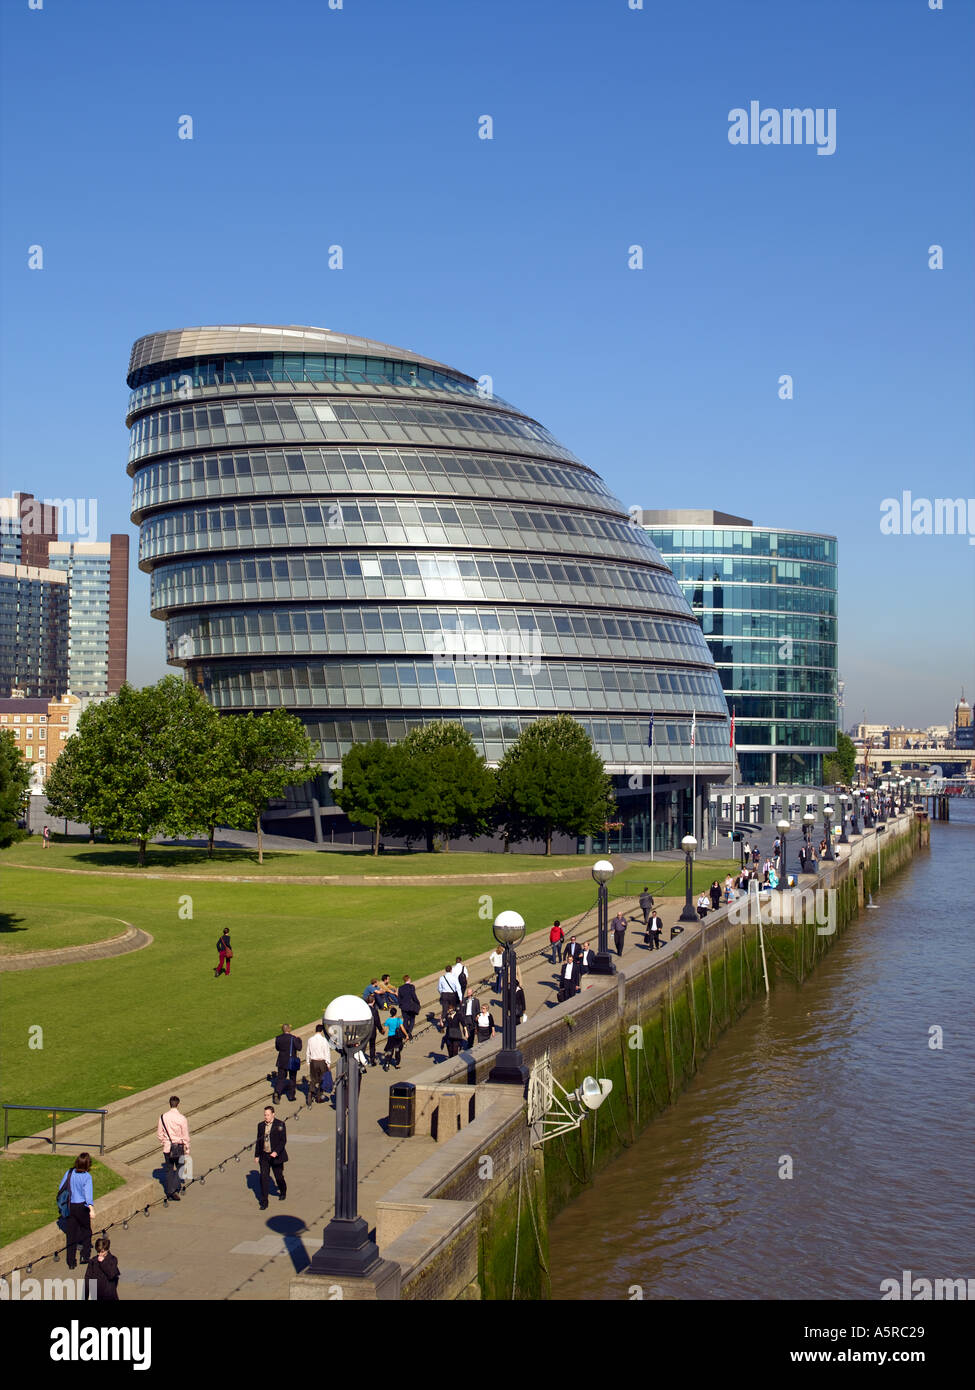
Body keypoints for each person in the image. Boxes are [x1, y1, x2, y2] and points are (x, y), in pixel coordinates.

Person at [60, 1152, 95, 1269]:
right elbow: (88, 1195)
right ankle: (84, 1255)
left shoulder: (69, 1173)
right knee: (86, 1230)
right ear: (87, 1165)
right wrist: (91, 1209)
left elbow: (61, 1188)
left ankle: (71, 1261)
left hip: (70, 1206)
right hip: (82, 1206)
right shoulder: (87, 1177)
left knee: (71, 1235)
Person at [254, 1105, 288, 1209]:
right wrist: (257, 1155)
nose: (266, 1117)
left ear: (273, 1114)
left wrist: (276, 1152)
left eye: (268, 1115)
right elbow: (258, 1141)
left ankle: (282, 1190)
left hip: (275, 1156)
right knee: (263, 1177)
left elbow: (283, 1141)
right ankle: (264, 1201)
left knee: (279, 1177)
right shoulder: (260, 1125)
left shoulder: (280, 1124)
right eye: (265, 1115)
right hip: (264, 1155)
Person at [157, 1096, 190, 1200]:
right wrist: (187, 1149)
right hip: (179, 1147)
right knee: (180, 1168)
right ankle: (172, 1190)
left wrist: (164, 1142)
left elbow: (159, 1134)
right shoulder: (182, 1118)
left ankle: (169, 1190)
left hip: (167, 1148)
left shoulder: (162, 1117)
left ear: (169, 1104)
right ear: (178, 1105)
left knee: (169, 1170)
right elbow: (185, 1136)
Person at [84, 1236, 120, 1301]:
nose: (100, 1254)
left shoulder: (113, 1260)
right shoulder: (93, 1261)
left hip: (109, 1295)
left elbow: (111, 1274)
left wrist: (103, 1262)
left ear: (107, 1250)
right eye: (98, 1252)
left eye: (102, 1252)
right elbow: (87, 1278)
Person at [305, 1024, 333, 1104]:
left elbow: (308, 1051)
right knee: (322, 1080)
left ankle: (311, 1091)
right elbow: (327, 1052)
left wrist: (307, 1061)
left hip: (313, 1062)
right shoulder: (324, 1040)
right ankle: (319, 1097)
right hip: (321, 1062)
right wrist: (328, 1062)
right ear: (321, 1031)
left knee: (313, 1078)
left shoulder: (310, 1040)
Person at [273, 1025, 301, 1101]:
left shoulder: (278, 1038)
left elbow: (277, 1048)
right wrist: (299, 1039)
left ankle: (277, 1092)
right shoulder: (293, 1038)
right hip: (291, 1061)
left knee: (281, 1078)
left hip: (281, 1061)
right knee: (292, 1078)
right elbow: (299, 1048)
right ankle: (291, 1096)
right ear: (289, 1029)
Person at [366, 996, 383, 1066]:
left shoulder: (364, 1009)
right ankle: (372, 1060)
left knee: (362, 1046)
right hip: (372, 1030)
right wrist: (381, 1029)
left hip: (364, 1031)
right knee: (372, 1045)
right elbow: (377, 1021)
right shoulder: (374, 1010)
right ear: (373, 1001)